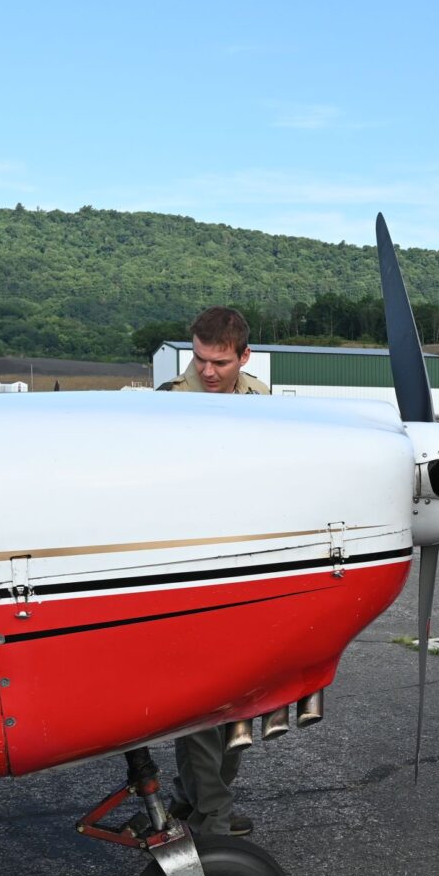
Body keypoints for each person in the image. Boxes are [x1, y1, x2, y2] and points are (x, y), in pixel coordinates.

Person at [162, 306, 271, 837]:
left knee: (239, 708)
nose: (207, 372)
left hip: (249, 574)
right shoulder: (164, 407)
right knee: (203, 706)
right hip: (191, 575)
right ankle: (214, 816)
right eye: (200, 360)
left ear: (244, 357)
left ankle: (200, 801)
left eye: (220, 362)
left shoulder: (265, 405)